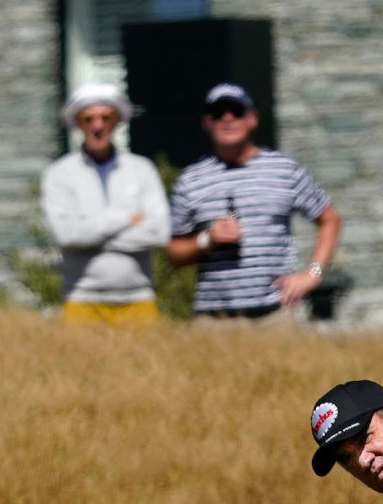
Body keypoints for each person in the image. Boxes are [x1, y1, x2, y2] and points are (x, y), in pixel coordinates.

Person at [165, 83, 341, 319]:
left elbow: (329, 220)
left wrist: (313, 273)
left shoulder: (284, 169)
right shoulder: (191, 180)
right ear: (207, 122)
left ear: (253, 119)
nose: (228, 119)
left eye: (237, 112)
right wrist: (207, 240)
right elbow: (173, 254)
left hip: (274, 312)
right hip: (213, 316)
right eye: (218, 113)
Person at [40, 82, 172, 325]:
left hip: (139, 299)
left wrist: (91, 235)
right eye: (88, 119)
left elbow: (160, 233)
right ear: (78, 123)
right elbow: (66, 235)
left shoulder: (142, 169)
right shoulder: (59, 174)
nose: (97, 126)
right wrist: (126, 219)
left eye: (105, 117)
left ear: (117, 121)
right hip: (81, 300)